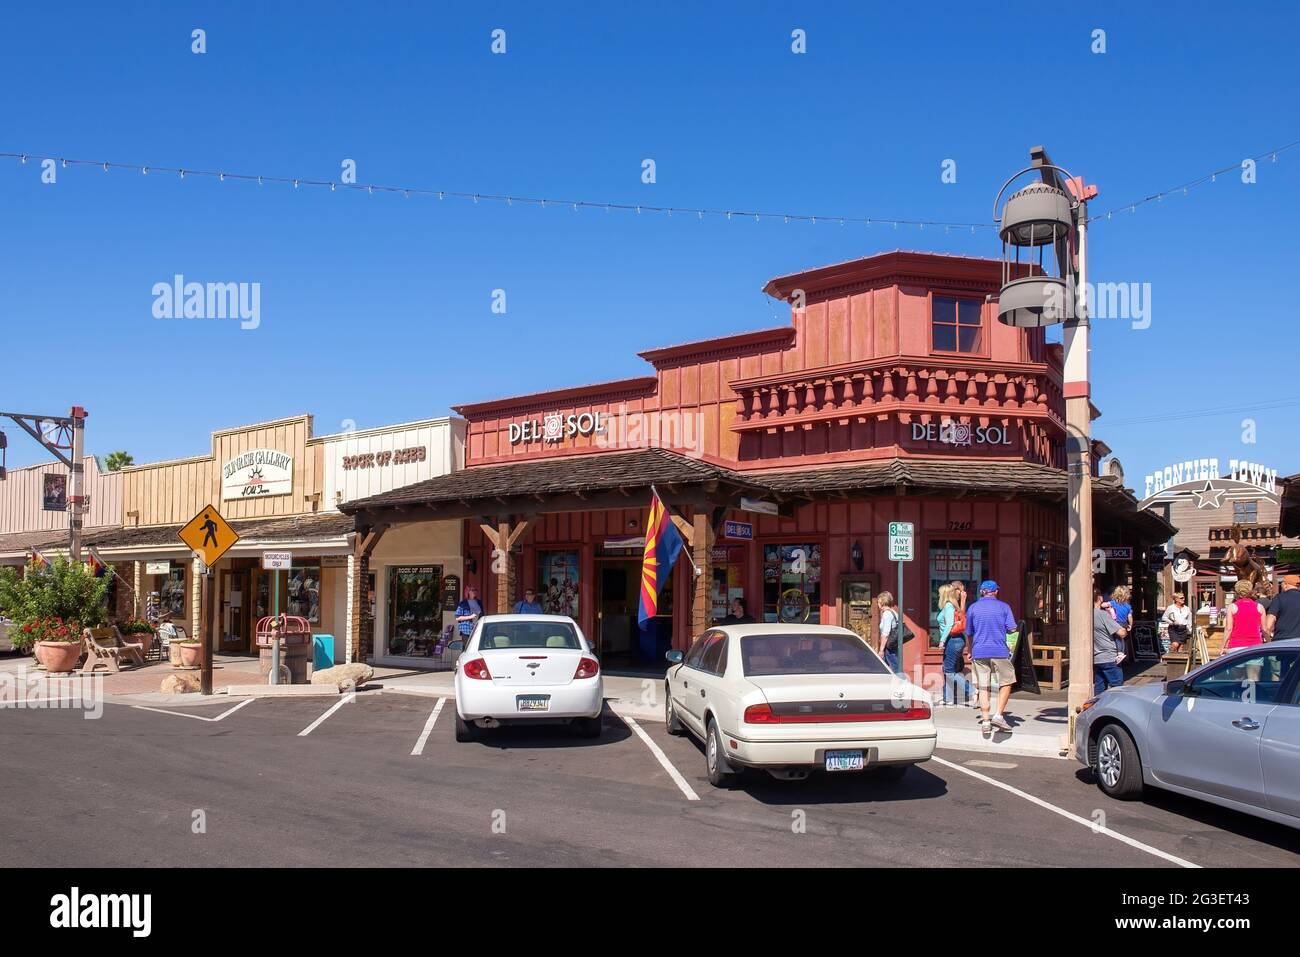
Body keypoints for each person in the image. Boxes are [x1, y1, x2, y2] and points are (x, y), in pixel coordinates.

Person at [966, 580, 1018, 733]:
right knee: (1007, 681)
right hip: (999, 651)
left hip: (979, 651)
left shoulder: (973, 608)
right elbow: (1012, 628)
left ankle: (986, 721)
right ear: (995, 591)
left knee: (983, 686)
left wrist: (970, 650)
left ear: (982, 592)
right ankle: (998, 715)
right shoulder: (1004, 607)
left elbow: (969, 633)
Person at [938, 584, 975, 706]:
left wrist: (942, 640)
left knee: (949, 670)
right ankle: (948, 698)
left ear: (944, 594)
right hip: (954, 640)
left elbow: (949, 625)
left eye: (940, 592)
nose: (938, 594)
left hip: (952, 640)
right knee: (949, 669)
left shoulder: (948, 606)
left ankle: (972, 691)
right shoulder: (951, 605)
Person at [1093, 588, 1127, 693]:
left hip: (1096, 657)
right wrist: (1125, 628)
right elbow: (1121, 632)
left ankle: (1098, 708)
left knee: (1099, 688)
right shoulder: (1102, 614)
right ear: (1099, 598)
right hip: (1109, 656)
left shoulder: (1086, 615)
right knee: (1117, 688)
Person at [1222, 579, 1268, 650]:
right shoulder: (1259, 607)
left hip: (1236, 645)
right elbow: (1264, 629)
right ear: (1251, 591)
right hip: (1255, 645)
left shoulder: (1232, 607)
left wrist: (1222, 646)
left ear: (1237, 591)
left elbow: (1229, 629)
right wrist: (1269, 643)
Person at [1265, 574, 1300, 642]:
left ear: (1285, 584)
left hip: (1282, 639)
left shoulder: (1279, 598)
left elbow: (1269, 622)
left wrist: (1268, 639)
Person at [876, 591, 901, 674]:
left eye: (878, 602)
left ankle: (903, 684)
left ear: (882, 602)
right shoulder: (894, 612)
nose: (877, 604)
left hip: (888, 647)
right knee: (888, 669)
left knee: (894, 670)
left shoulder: (887, 614)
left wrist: (881, 650)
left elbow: (885, 634)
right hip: (894, 645)